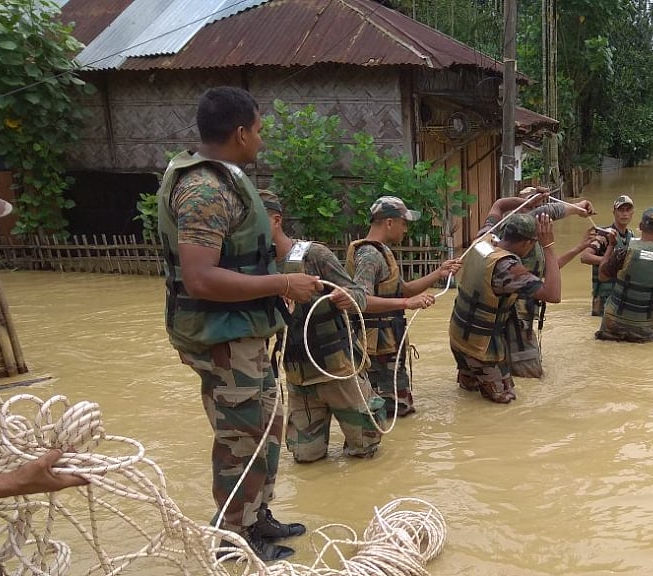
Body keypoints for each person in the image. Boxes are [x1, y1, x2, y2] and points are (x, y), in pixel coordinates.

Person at [156, 86, 317, 562]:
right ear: (241, 132)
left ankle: (256, 516)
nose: (261, 142)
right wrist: (282, 284)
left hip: (241, 335)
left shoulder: (221, 181)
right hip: (221, 338)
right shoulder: (204, 190)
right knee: (240, 439)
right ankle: (233, 539)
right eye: (260, 131)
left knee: (266, 428)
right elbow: (201, 278)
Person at [261, 190, 385, 462]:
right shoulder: (258, 266)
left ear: (276, 220)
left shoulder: (314, 254)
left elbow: (360, 294)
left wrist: (347, 298)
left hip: (340, 371)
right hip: (298, 376)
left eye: (254, 221)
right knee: (306, 458)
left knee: (365, 451)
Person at [345, 197, 461, 418]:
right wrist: (407, 304)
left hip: (388, 344)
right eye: (404, 222)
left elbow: (402, 289)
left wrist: (439, 273)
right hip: (374, 349)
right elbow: (360, 300)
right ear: (389, 222)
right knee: (388, 411)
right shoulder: (369, 255)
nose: (406, 229)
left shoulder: (382, 252)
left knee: (400, 407)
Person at [478, 188, 595, 378]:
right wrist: (575, 209)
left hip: (490, 324)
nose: (533, 213)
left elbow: (547, 271)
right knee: (533, 377)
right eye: (528, 206)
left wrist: (578, 247)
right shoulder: (517, 243)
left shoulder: (490, 235)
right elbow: (553, 294)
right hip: (514, 323)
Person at [449, 213, 561, 403]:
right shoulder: (507, 268)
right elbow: (553, 295)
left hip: (459, 335)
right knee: (503, 400)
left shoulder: (483, 241)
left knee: (469, 393)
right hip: (481, 348)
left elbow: (497, 207)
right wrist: (548, 247)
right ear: (527, 243)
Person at [595, 208, 653, 343]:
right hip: (643, 327)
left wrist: (610, 246)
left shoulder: (624, 252)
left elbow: (602, 276)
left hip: (614, 323)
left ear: (641, 226)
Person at [581, 195, 636, 316]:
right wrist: (612, 261)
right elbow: (585, 257)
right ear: (614, 212)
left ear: (633, 213)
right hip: (603, 298)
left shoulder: (632, 236)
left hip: (622, 297)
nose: (624, 214)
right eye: (621, 210)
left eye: (628, 210)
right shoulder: (604, 234)